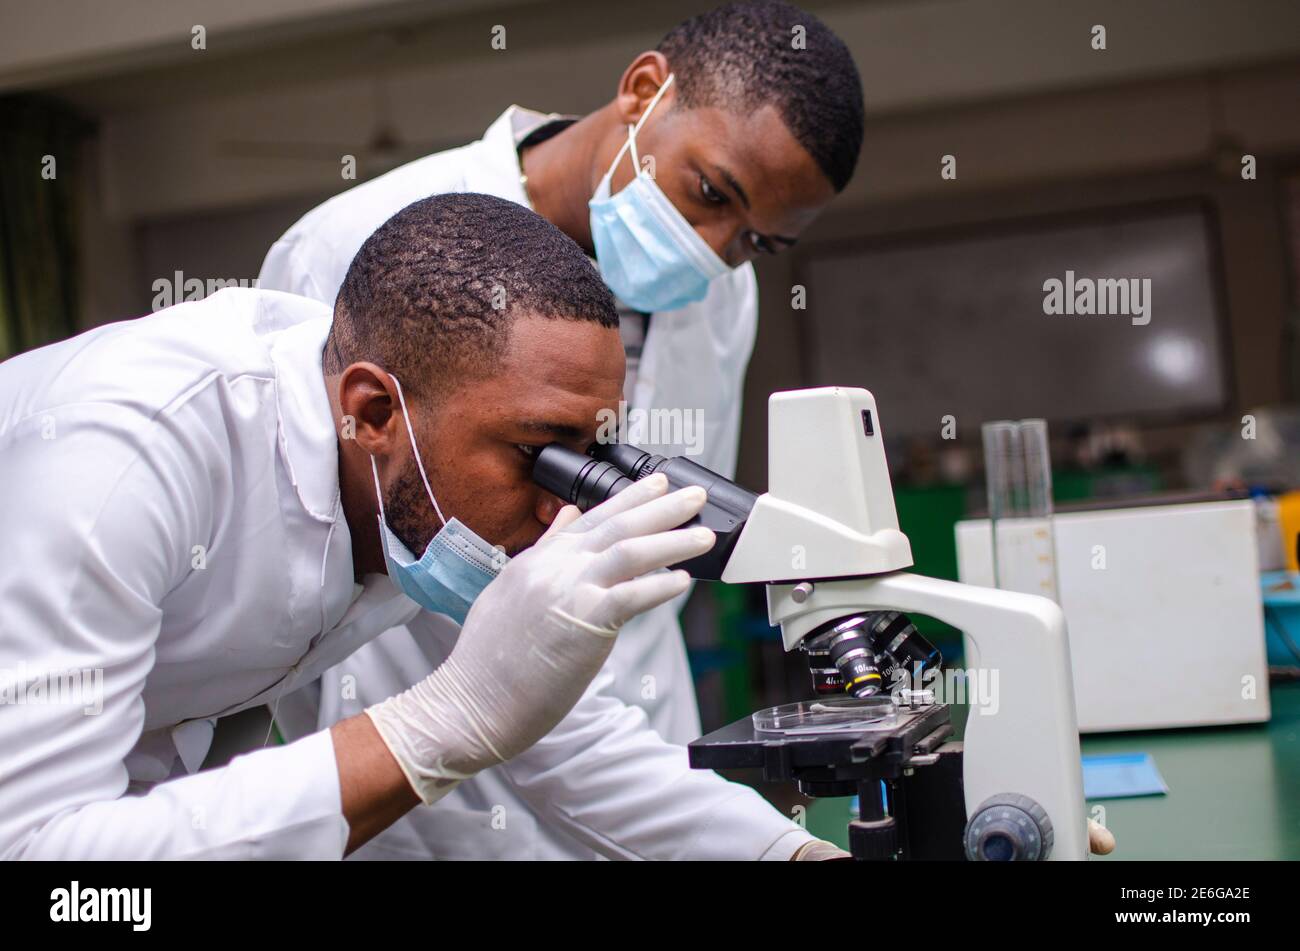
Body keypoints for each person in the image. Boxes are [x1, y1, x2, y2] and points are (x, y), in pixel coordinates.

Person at [261, 0, 862, 861]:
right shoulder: (358, 244)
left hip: (644, 752)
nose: (712, 248)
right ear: (645, 90)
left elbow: (664, 535)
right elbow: (324, 570)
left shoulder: (722, 298)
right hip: (435, 807)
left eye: (754, 242)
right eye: (709, 192)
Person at [0, 194, 732, 859]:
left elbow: (558, 735)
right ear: (375, 412)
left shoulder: (417, 490)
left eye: (592, 452)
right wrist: (439, 722)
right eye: (538, 454)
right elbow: (47, 865)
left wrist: (785, 854)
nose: (561, 507)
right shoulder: (127, 458)